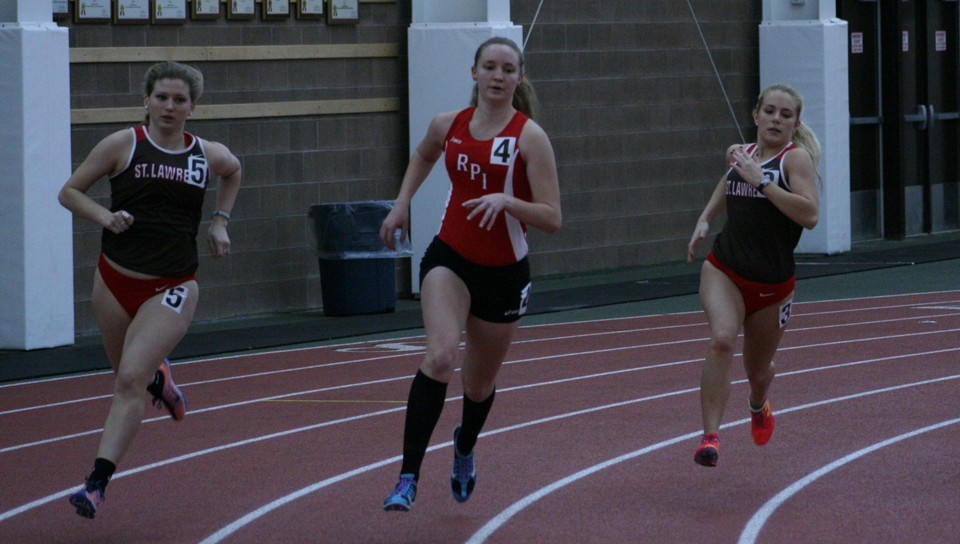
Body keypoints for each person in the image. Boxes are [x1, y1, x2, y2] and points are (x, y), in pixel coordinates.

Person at [378, 36, 561, 511]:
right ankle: (407, 477)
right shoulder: (449, 124)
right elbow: (423, 155)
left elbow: (552, 217)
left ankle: (464, 445)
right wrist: (401, 205)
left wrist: (508, 201)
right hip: (450, 258)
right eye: (490, 67)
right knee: (439, 357)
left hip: (503, 273)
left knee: (477, 386)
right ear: (474, 73)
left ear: (519, 78)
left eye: (507, 69)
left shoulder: (529, 136)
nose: (498, 77)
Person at [58, 61, 241, 518]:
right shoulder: (124, 144)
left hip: (173, 284)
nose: (169, 107)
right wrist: (105, 217)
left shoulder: (205, 153)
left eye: (180, 100)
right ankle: (163, 380)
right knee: (129, 375)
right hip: (114, 278)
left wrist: (220, 221)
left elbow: (233, 170)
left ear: (192, 107)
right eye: (162, 97)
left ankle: (96, 484)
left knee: (127, 380)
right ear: (146, 100)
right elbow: (70, 192)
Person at [686, 83, 820, 467]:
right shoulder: (741, 154)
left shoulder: (795, 161)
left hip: (772, 285)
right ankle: (710, 437)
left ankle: (758, 403)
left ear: (795, 123)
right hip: (725, 268)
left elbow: (810, 215)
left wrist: (762, 181)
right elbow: (728, 183)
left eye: (786, 114)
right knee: (722, 339)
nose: (776, 119)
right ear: (756, 115)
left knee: (757, 371)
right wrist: (705, 218)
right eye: (770, 111)